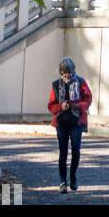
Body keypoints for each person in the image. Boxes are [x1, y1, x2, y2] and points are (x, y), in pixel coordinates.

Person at [47, 57, 92, 193]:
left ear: (74, 71)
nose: (68, 76)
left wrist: (76, 105)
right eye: (65, 74)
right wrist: (61, 106)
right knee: (63, 153)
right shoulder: (55, 85)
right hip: (61, 122)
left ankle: (73, 176)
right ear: (61, 73)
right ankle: (62, 181)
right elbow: (51, 105)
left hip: (76, 121)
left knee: (76, 151)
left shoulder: (81, 82)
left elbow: (88, 99)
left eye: (70, 73)